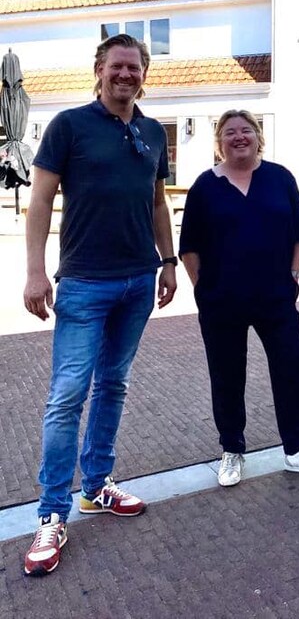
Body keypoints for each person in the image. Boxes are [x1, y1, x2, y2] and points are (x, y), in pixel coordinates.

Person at [22, 34, 178, 577]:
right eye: (117, 66)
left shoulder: (153, 131)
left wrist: (169, 261)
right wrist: (36, 271)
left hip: (138, 281)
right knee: (67, 395)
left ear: (144, 73)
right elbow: (39, 200)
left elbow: (157, 202)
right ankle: (50, 514)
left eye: (134, 68)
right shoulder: (68, 125)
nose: (125, 75)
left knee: (113, 384)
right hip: (85, 283)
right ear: (99, 69)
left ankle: (96, 486)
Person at [179, 109, 299, 486]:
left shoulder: (279, 178)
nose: (239, 137)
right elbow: (190, 246)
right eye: (230, 132)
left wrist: (294, 275)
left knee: (291, 369)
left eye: (245, 130)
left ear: (257, 136)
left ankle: (298, 449)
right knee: (227, 375)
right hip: (222, 301)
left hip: (275, 297)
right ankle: (232, 450)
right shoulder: (204, 186)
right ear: (220, 141)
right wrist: (204, 289)